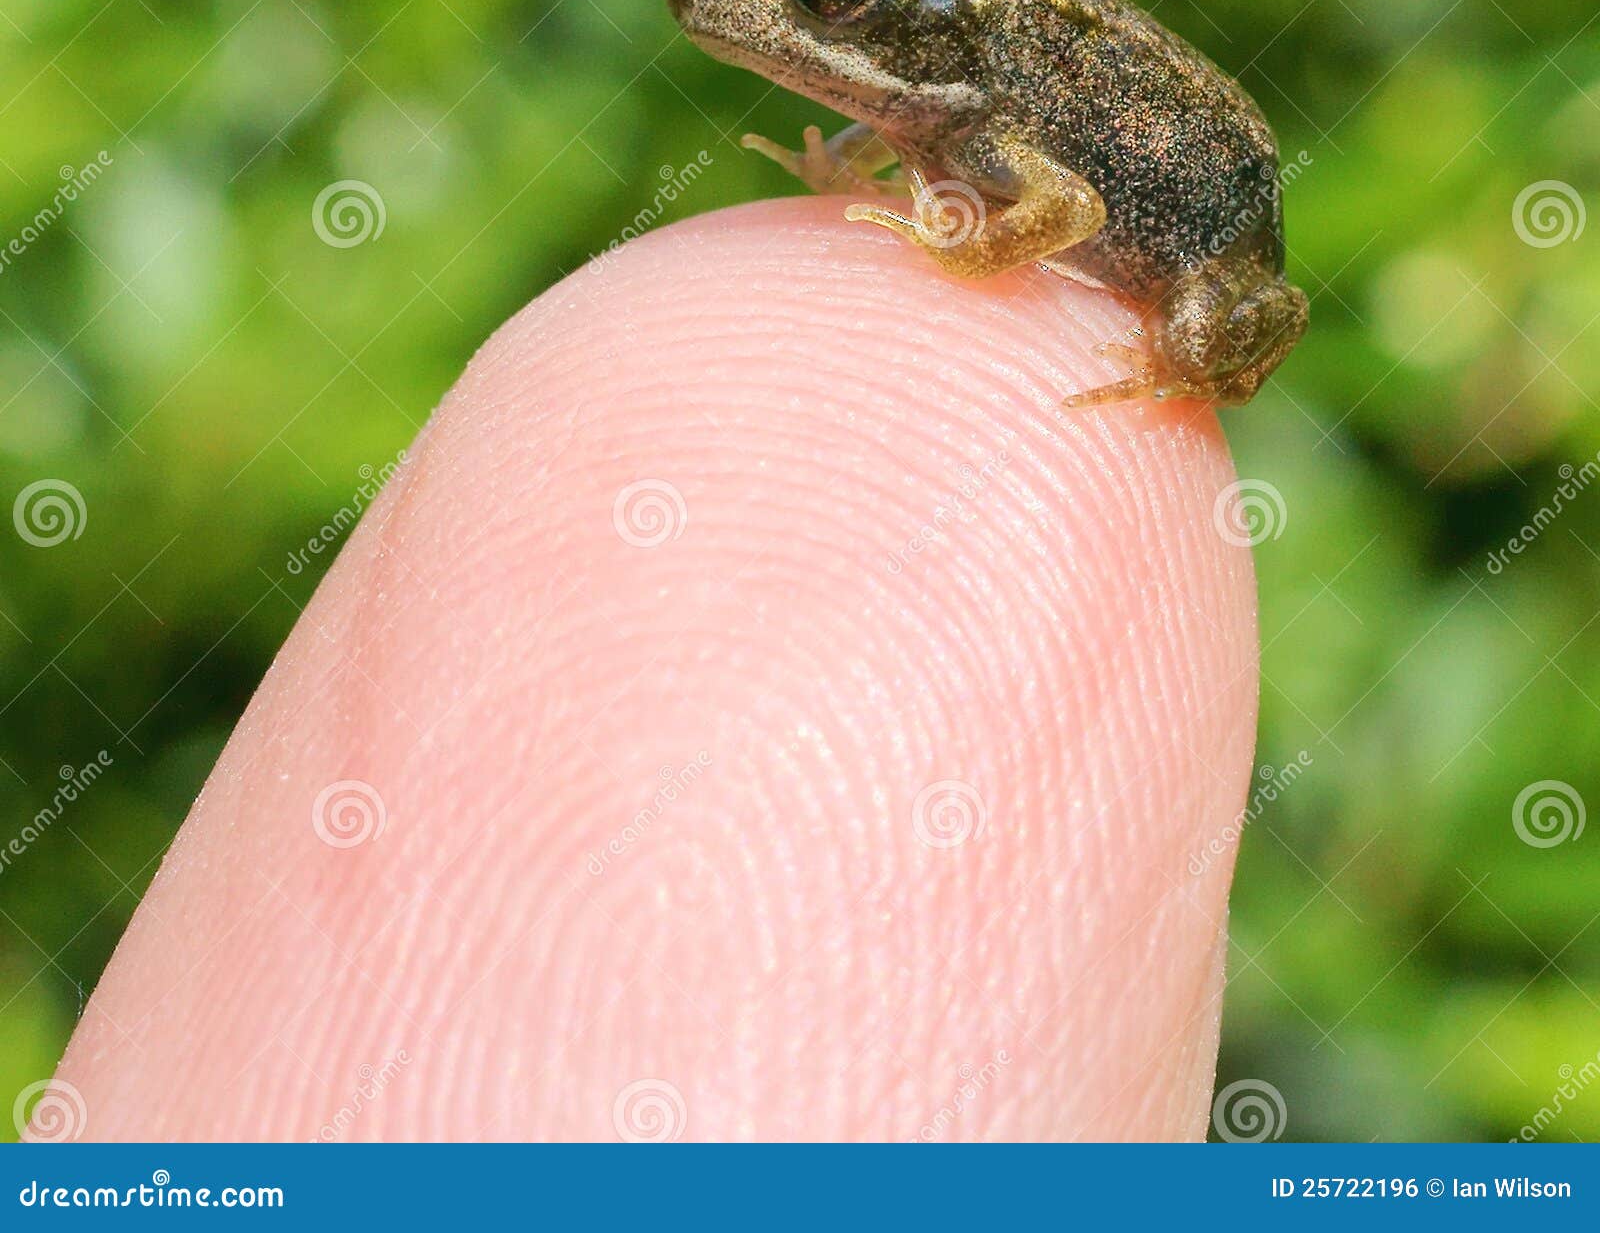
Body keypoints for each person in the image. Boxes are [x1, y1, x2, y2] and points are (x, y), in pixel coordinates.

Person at [49, 197, 1258, 1141]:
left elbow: (1068, 209)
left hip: (1214, 267)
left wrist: (961, 247)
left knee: (1198, 339)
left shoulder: (1018, 113)